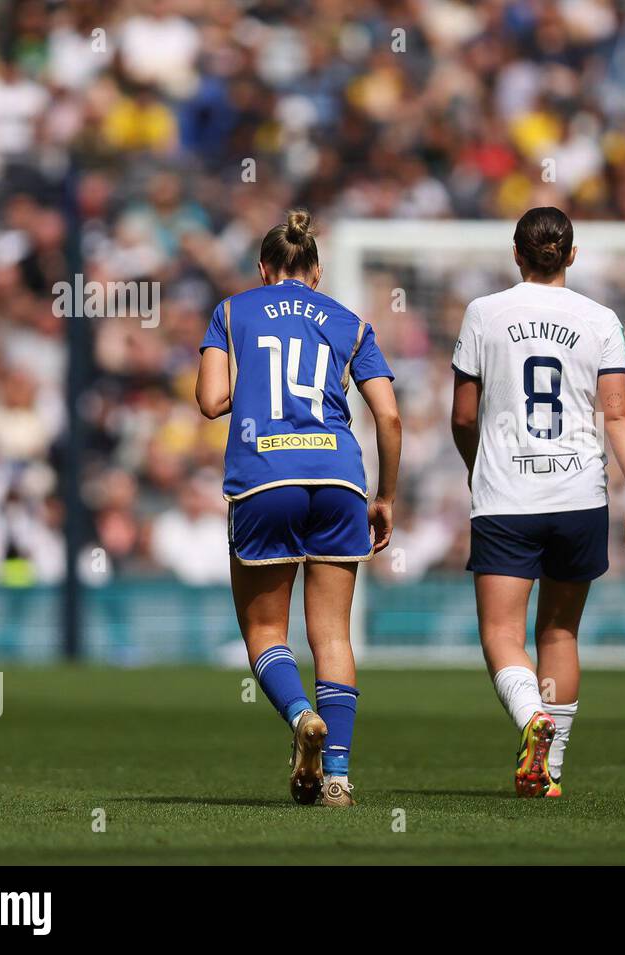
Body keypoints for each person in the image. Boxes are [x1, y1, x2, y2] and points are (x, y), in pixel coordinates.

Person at [195, 209, 401, 808]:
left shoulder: (232, 310)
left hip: (265, 478)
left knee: (264, 632)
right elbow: (387, 416)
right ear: (317, 270)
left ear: (263, 269)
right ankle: (337, 773)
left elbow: (210, 401)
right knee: (333, 633)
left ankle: (302, 716)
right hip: (340, 477)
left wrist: (251, 382)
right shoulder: (350, 321)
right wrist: (384, 496)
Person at [450, 206, 625, 798]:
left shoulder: (484, 313)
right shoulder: (601, 319)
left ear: (516, 253)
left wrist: (477, 466)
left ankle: (529, 720)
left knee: (500, 634)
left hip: (507, 493)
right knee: (560, 633)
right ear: (571, 254)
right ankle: (550, 770)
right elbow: (616, 413)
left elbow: (464, 415)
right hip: (579, 496)